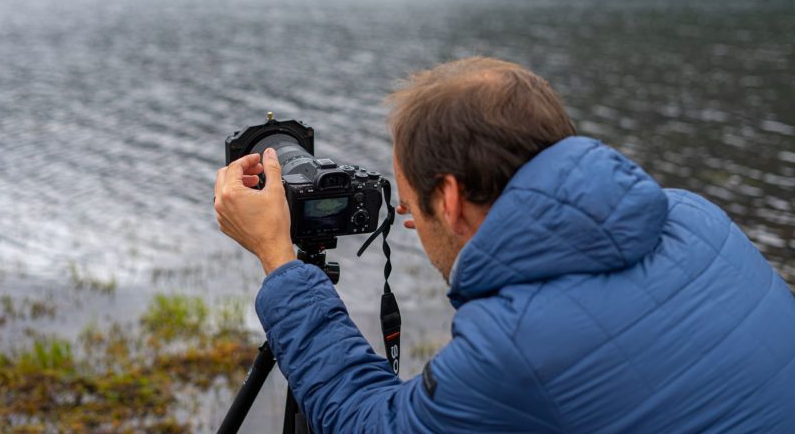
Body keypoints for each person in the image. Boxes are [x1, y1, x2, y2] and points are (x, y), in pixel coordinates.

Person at [214, 57, 795, 433]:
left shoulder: (515, 348)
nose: (405, 213)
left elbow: (370, 424)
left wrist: (279, 261)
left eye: (412, 200)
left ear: (451, 198)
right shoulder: (698, 217)